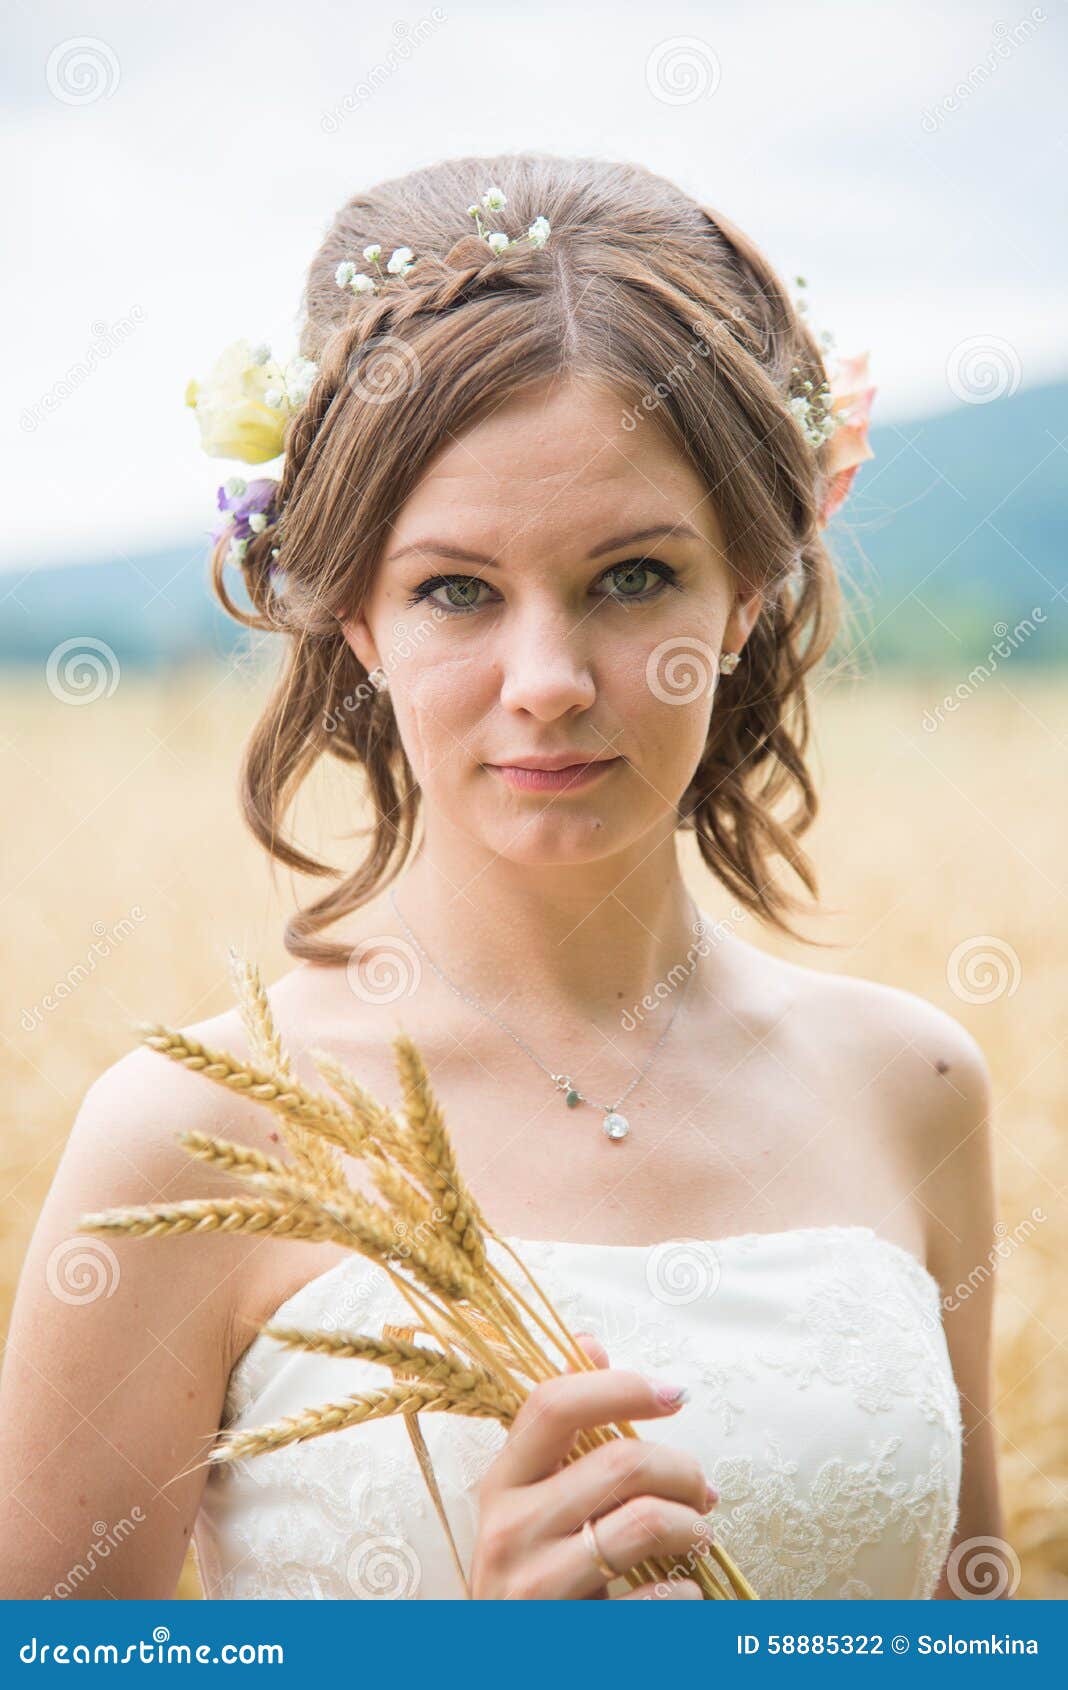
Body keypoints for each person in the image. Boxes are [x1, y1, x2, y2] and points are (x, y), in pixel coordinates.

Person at [0, 154, 1002, 1601]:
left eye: (635, 576)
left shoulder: (915, 1086)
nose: (547, 682)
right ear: (352, 615)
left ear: (752, 591)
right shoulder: (190, 1143)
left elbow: (974, 1628)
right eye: (456, 589)